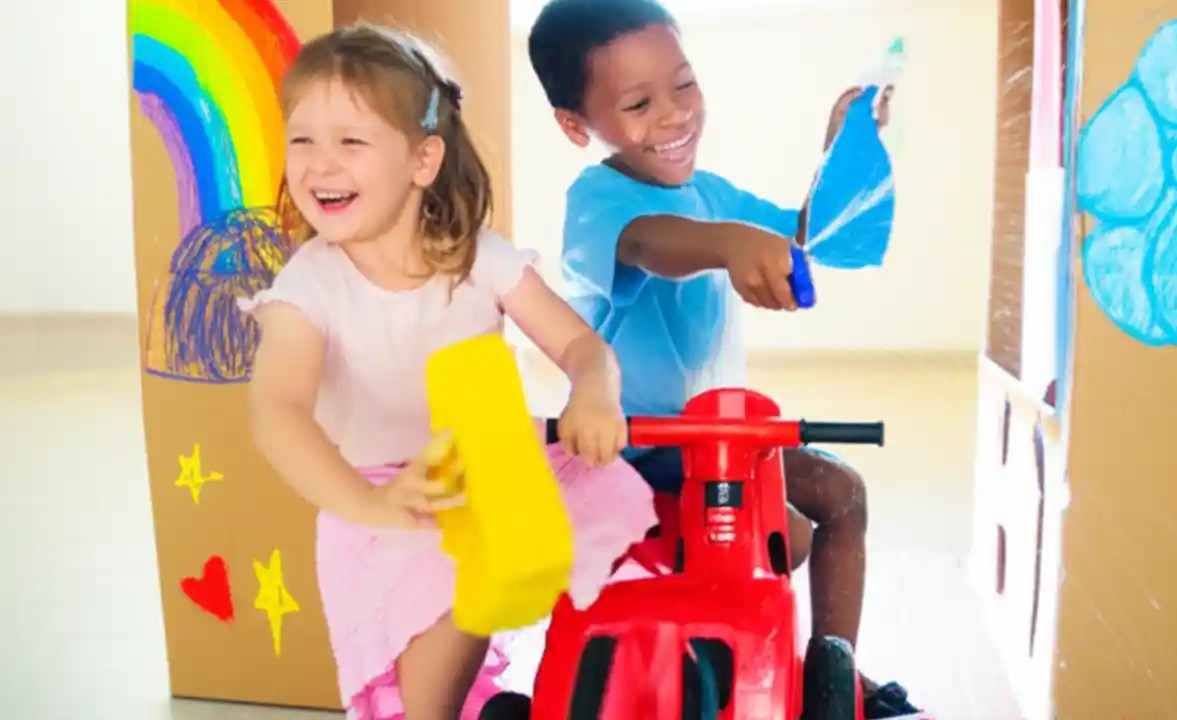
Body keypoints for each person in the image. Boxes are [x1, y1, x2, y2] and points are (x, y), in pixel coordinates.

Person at [242, 24, 656, 720]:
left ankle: (588, 690)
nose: (317, 163)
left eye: (350, 141)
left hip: (495, 463)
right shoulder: (310, 286)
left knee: (622, 540)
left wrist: (593, 390)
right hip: (383, 494)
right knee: (436, 622)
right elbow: (275, 410)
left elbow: (583, 347)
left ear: (423, 160)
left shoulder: (478, 259)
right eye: (302, 139)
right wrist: (368, 504)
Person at [527, 1, 923, 717]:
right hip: (630, 451)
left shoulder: (714, 195)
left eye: (684, 85)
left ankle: (835, 675)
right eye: (639, 103)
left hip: (720, 446)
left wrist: (838, 147)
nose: (675, 115)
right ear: (577, 125)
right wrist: (725, 243)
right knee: (770, 545)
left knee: (838, 500)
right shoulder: (595, 201)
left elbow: (804, 232)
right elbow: (652, 243)